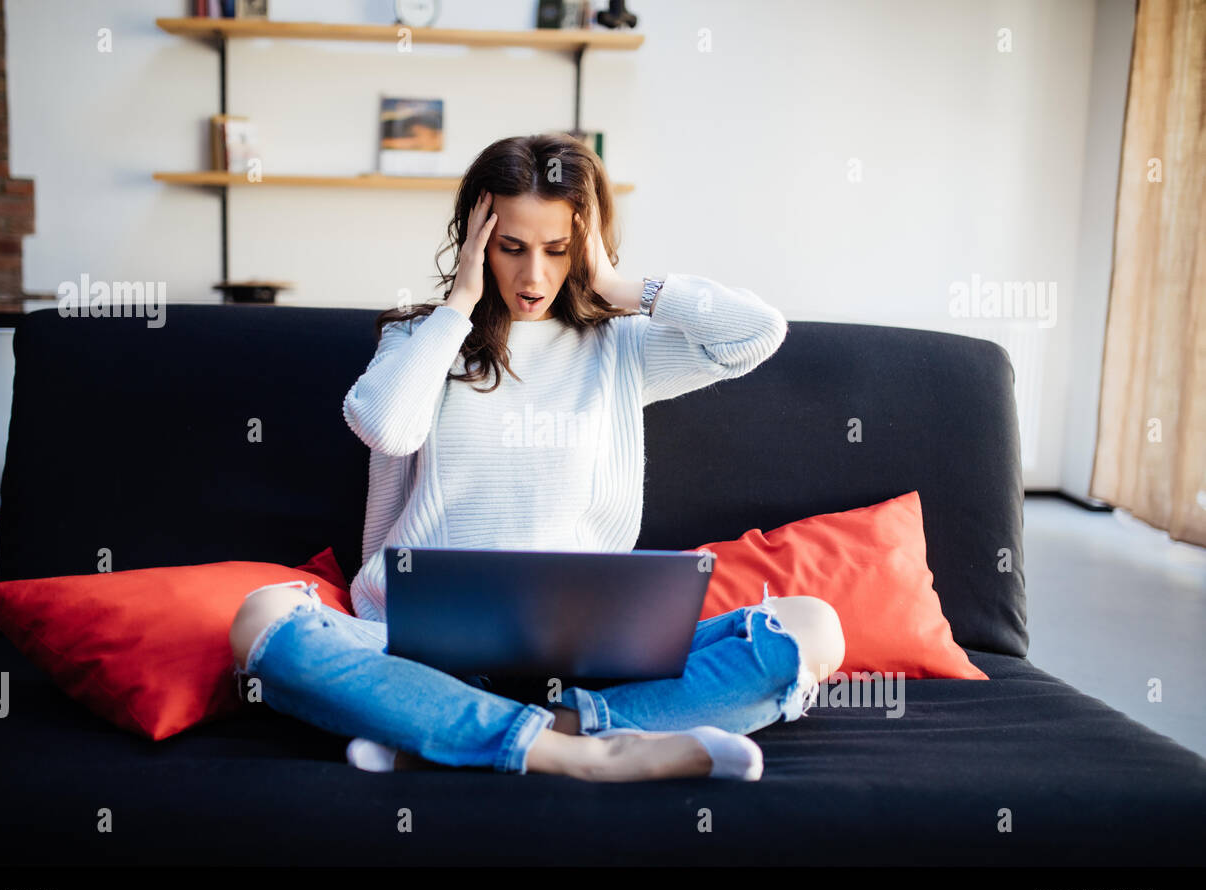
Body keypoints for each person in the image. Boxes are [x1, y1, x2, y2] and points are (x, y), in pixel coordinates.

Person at [229, 133, 845, 782]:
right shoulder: (422, 340)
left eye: (557, 250)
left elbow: (757, 333)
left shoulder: (620, 348)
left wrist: (616, 284)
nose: (534, 277)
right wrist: (459, 305)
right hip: (416, 657)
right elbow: (385, 427)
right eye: (511, 248)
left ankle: (450, 731)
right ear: (475, 240)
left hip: (590, 658)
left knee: (814, 626)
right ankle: (587, 751)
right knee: (262, 619)